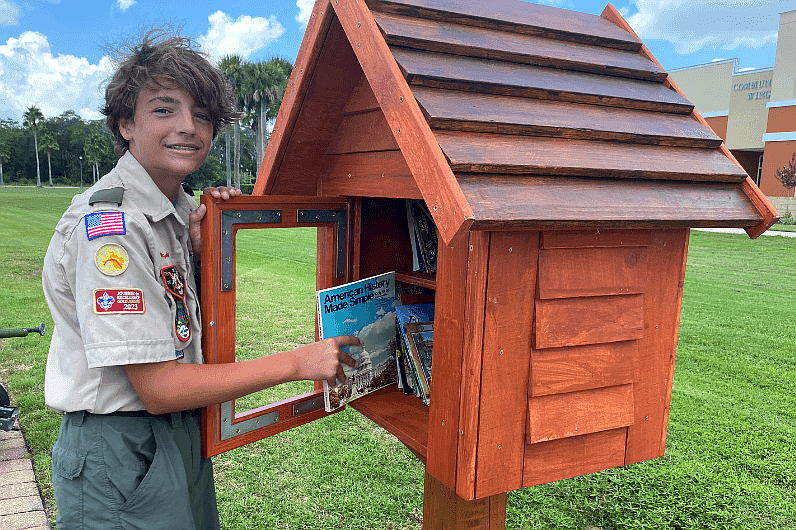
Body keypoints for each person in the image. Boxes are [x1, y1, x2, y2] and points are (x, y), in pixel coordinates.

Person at [41, 32, 359, 530]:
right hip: (122, 447)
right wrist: (298, 361)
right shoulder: (112, 226)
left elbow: (175, 317)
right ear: (126, 122)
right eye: (164, 110)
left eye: (203, 115)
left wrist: (200, 250)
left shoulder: (180, 211)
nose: (188, 128)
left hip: (180, 434)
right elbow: (159, 386)